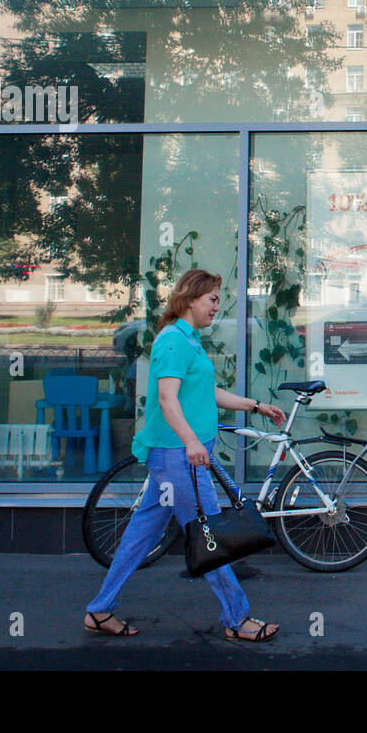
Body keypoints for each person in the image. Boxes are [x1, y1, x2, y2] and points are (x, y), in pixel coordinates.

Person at [85, 269, 287, 643]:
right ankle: (237, 618)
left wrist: (256, 406)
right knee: (209, 535)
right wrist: (193, 443)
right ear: (190, 299)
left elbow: (207, 392)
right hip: (180, 457)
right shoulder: (174, 341)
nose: (216, 306)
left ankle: (99, 610)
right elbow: (167, 399)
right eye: (212, 299)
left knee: (142, 533)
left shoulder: (189, 340)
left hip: (180, 455)